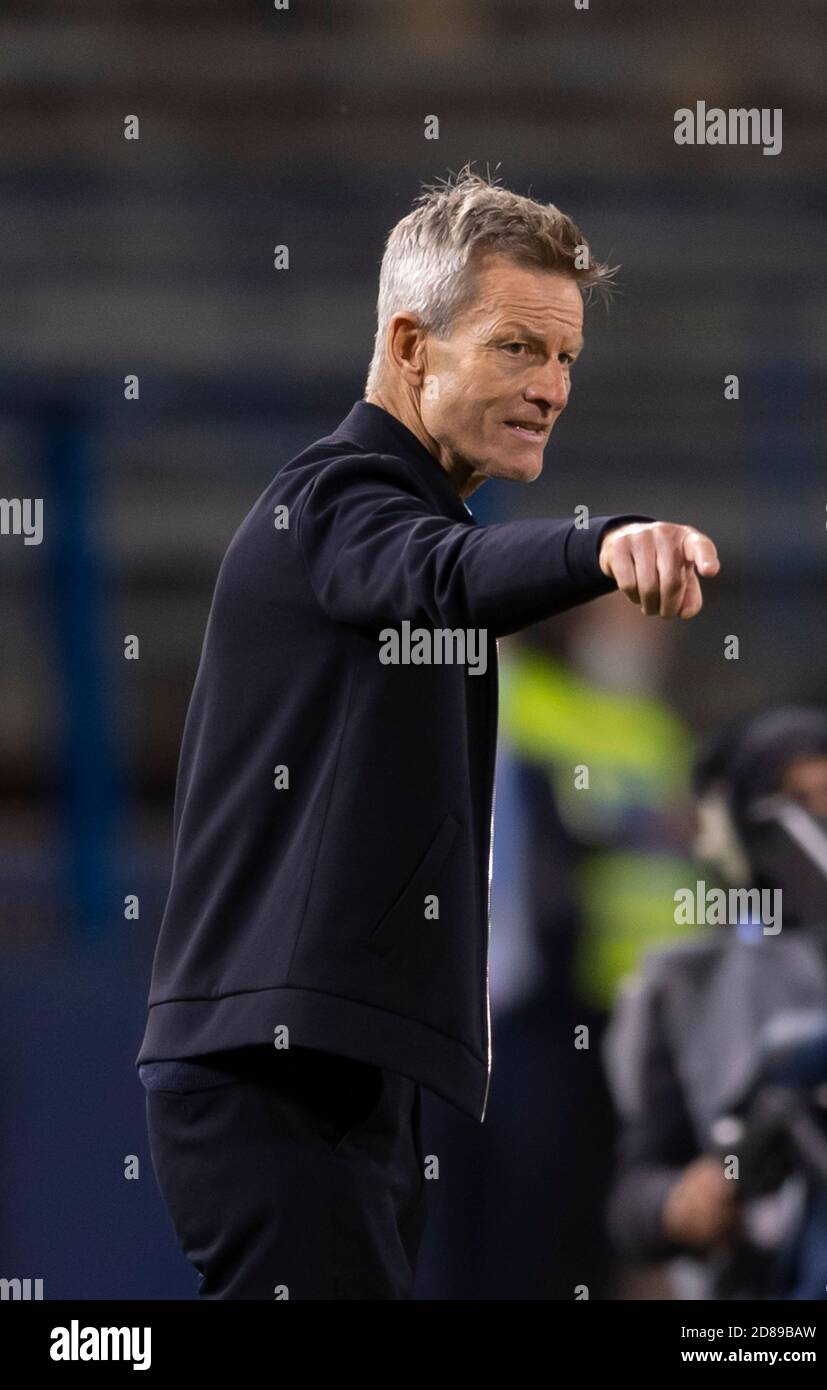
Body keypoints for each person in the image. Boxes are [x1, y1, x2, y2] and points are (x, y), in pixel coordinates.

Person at [135, 166, 719, 1300]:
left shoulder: (392, 509)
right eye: (515, 348)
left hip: (344, 1074)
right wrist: (597, 544)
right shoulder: (336, 496)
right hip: (275, 1076)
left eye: (564, 360)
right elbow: (438, 575)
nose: (550, 387)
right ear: (410, 346)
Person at [604, 704, 827, 1299]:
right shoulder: (686, 987)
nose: (824, 818)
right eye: (795, 802)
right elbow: (633, 1199)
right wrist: (682, 1203)